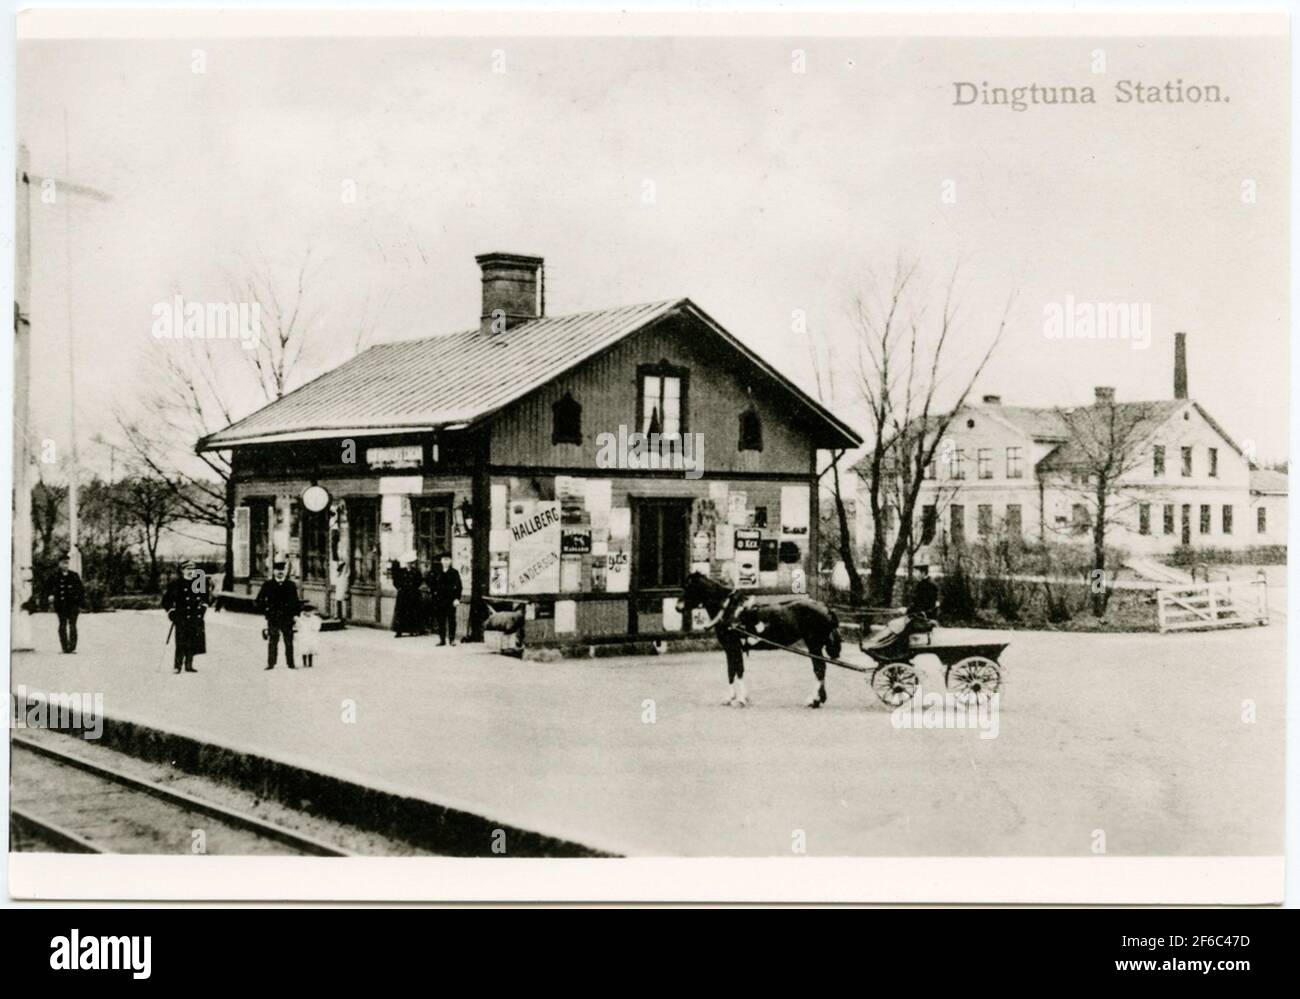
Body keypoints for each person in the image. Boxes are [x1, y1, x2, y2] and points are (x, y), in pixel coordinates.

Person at [161, 559, 208, 673]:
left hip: (194, 617)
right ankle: (177, 666)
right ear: (182, 570)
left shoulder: (199, 583)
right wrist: (171, 612)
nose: (190, 571)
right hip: (181, 617)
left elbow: (205, 598)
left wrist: (203, 609)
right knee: (181, 642)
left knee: (192, 641)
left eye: (192, 569)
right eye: (188, 569)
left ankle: (189, 665)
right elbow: (166, 601)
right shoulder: (176, 584)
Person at [256, 560, 299, 670]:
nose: (280, 572)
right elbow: (258, 600)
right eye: (278, 570)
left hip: (287, 617)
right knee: (273, 640)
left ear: (285, 572)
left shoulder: (291, 585)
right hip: (273, 617)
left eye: (282, 570)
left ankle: (291, 663)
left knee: (288, 641)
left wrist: (295, 615)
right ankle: (271, 663)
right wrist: (266, 610)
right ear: (274, 571)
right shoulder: (268, 585)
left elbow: (295, 601)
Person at [51, 552, 84, 654]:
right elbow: (47, 588)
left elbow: (81, 590)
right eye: (63, 563)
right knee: (62, 625)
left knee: (73, 626)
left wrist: (79, 604)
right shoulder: (54, 577)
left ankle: (72, 647)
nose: (65, 565)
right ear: (59, 564)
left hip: (73, 605)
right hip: (60, 606)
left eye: (67, 563)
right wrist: (50, 596)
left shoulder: (74, 576)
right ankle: (64, 648)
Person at [429, 552, 463, 646]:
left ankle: (452, 639)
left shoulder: (454, 572)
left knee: (451, 620)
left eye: (448, 560)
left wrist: (457, 598)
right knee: (441, 620)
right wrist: (434, 595)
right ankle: (442, 640)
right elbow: (431, 584)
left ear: (451, 561)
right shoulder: (436, 572)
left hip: (451, 600)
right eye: (444, 560)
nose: (446, 562)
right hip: (439, 600)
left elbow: (459, 586)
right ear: (441, 561)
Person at [391, 552, 423, 638]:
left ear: (412, 563)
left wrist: (414, 588)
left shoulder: (416, 572)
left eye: (410, 563)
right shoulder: (401, 572)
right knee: (401, 613)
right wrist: (399, 588)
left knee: (412, 612)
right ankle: (399, 631)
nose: (409, 564)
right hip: (403, 595)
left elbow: (419, 581)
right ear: (405, 563)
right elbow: (395, 580)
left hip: (413, 594)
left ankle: (412, 630)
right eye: (407, 563)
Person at [296, 601, 321, 669]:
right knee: (304, 649)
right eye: (307, 611)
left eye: (310, 611)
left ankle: (310, 663)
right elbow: (298, 626)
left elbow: (316, 626)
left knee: (310, 649)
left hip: (311, 636)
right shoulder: (301, 619)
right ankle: (304, 662)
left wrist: (314, 628)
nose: (309, 613)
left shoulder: (314, 619)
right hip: (303, 635)